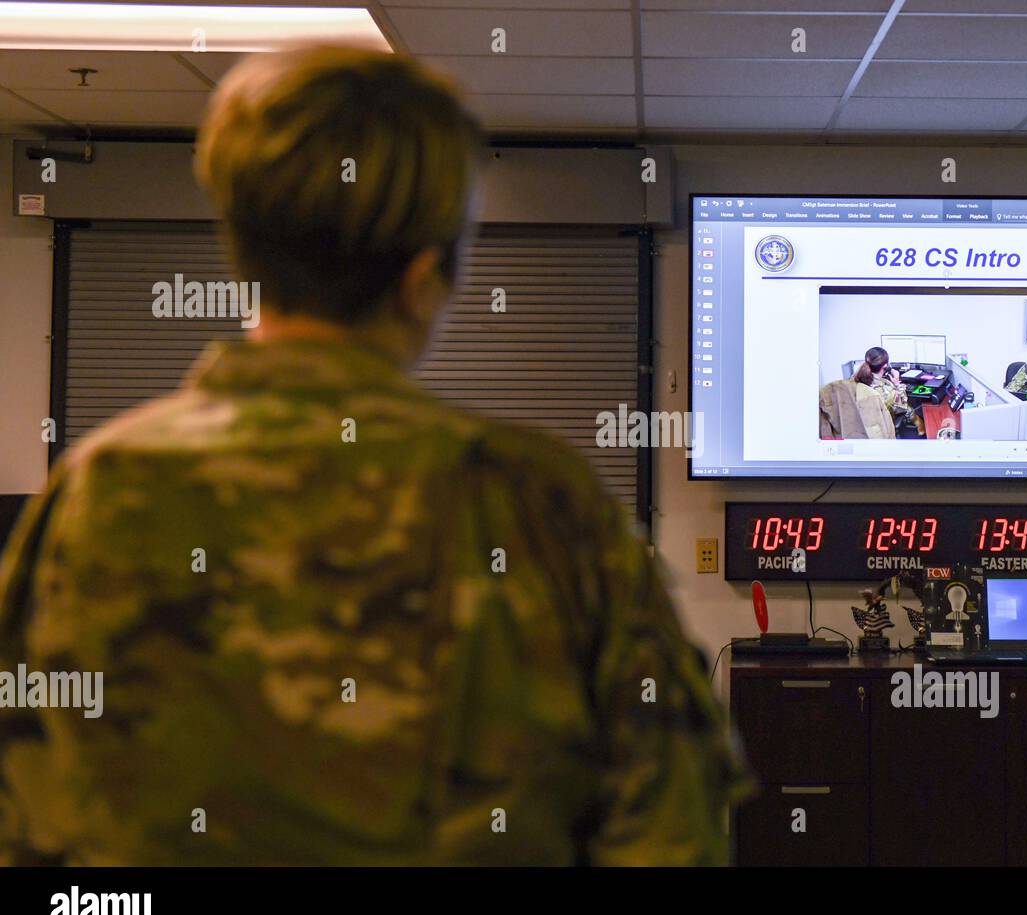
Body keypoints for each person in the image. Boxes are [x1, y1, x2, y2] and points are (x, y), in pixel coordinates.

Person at [0, 46, 748, 866]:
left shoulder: (95, 492)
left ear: (242, 250)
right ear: (426, 276)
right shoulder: (542, 504)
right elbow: (672, 832)